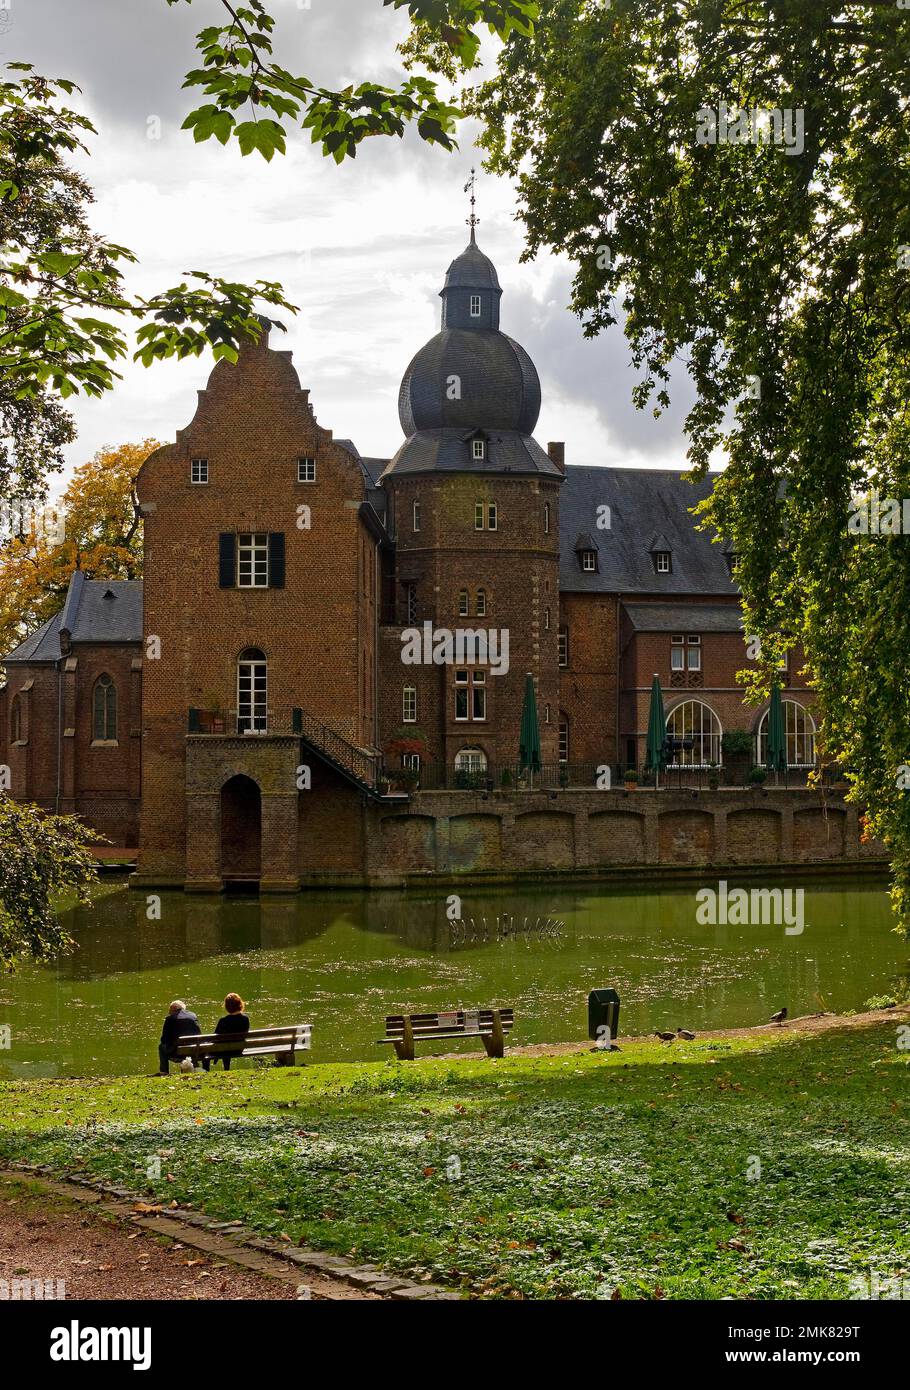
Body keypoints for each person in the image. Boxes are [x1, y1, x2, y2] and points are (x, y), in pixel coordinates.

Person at [157, 1000, 203, 1075]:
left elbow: (163, 1040)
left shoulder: (170, 1019)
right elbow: (199, 1034)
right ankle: (194, 1065)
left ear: (173, 1009)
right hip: (194, 1051)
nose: (169, 1013)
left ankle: (164, 1072)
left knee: (161, 1047)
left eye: (170, 1011)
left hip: (176, 1052)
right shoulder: (193, 1016)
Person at [212, 993, 250, 1070]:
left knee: (224, 1046)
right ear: (240, 1004)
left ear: (227, 1006)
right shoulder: (245, 1019)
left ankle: (224, 1068)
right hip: (239, 1049)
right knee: (226, 1045)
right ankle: (226, 1068)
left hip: (225, 1050)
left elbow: (215, 1037)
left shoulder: (223, 1021)